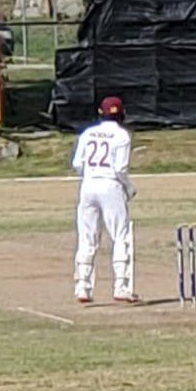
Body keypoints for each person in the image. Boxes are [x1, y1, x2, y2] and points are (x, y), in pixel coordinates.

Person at [72, 96, 138, 304]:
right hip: (111, 186)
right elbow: (120, 168)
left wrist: (90, 176)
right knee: (120, 235)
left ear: (101, 113)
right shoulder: (122, 136)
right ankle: (121, 286)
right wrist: (129, 187)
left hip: (88, 185)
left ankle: (82, 286)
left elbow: (77, 164)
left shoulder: (88, 133)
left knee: (87, 237)